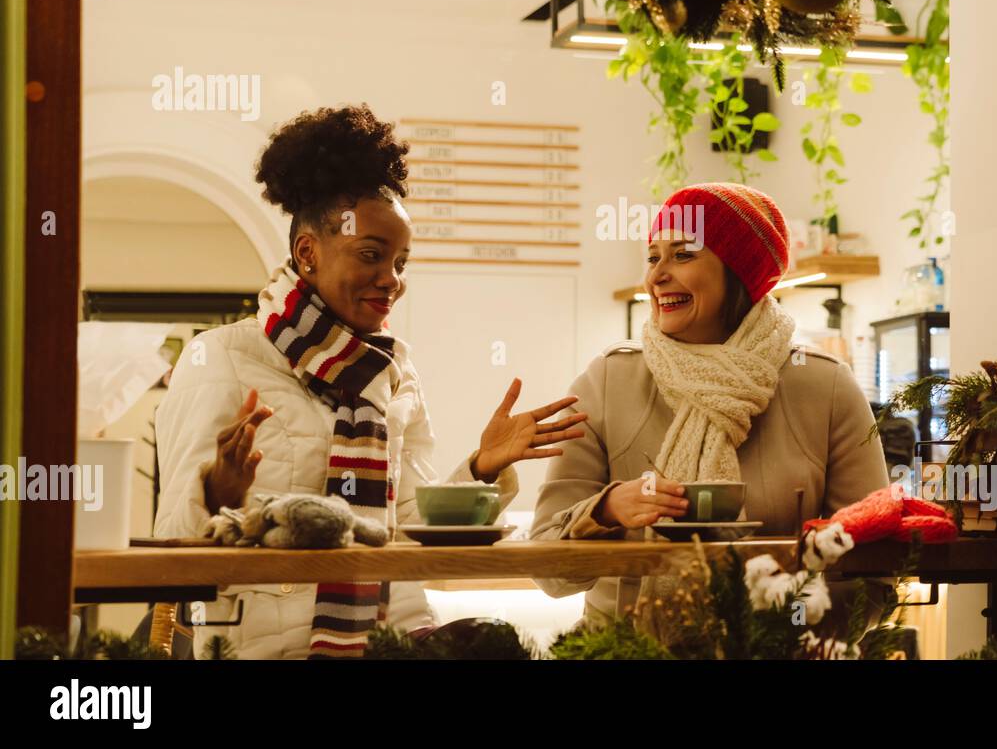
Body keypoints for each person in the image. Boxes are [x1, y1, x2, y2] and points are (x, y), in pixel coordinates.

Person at [153, 104, 586, 658]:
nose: (392, 280)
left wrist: (482, 470)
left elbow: (407, 525)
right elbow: (172, 545)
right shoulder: (220, 357)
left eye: (402, 261)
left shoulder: (393, 369)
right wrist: (218, 494)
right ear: (307, 252)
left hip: (395, 636)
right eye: (371, 255)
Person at [531, 182, 890, 629]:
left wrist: (777, 636)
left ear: (739, 272)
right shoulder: (608, 380)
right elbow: (547, 569)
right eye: (653, 256)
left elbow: (874, 567)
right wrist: (603, 513)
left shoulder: (825, 385)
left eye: (683, 255)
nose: (657, 275)